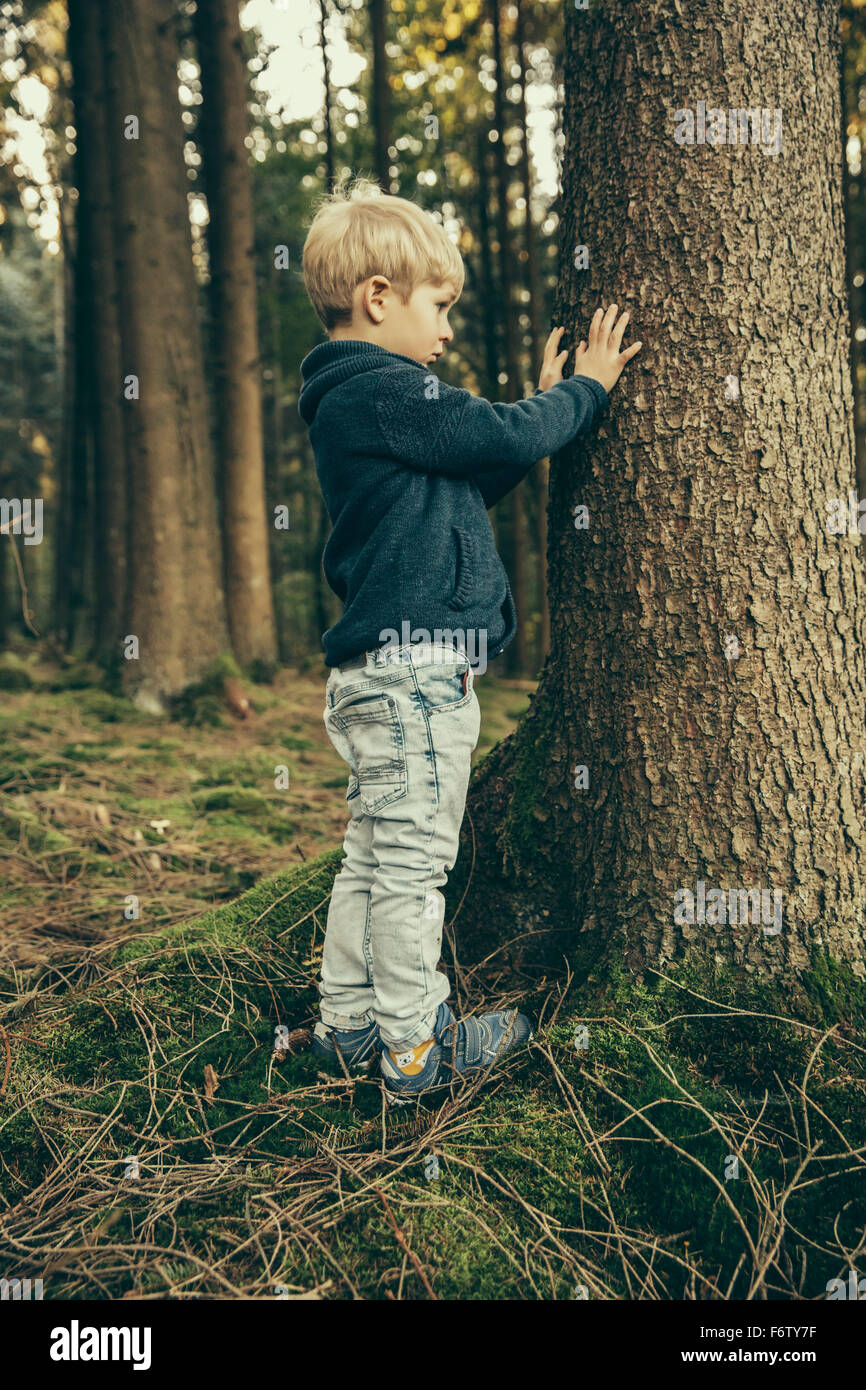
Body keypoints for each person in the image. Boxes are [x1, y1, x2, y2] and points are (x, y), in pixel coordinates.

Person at [298, 177, 641, 1104]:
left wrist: (533, 421)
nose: (447, 330)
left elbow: (462, 480)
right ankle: (415, 1055)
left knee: (372, 854)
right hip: (413, 679)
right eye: (438, 306)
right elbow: (494, 429)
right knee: (412, 867)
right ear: (379, 299)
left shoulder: (357, 405)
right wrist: (584, 392)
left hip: (379, 672)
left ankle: (346, 1025)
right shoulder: (390, 387)